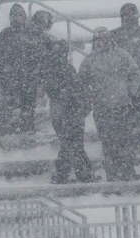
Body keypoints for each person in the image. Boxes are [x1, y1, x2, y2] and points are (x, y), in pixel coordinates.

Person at [79, 28, 140, 182]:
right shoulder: (89, 60)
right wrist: (90, 95)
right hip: (102, 108)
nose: (101, 42)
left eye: (104, 39)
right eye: (97, 39)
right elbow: (81, 81)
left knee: (125, 141)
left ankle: (128, 172)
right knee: (108, 143)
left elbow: (135, 73)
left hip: (122, 105)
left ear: (110, 39)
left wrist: (130, 90)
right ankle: (112, 175)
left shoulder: (122, 55)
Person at [42, 39, 94, 184]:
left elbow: (73, 88)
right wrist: (74, 97)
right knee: (72, 144)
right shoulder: (54, 69)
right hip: (65, 111)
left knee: (71, 144)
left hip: (69, 110)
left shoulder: (64, 68)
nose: (61, 55)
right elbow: (56, 90)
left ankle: (68, 174)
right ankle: (78, 173)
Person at [110, 3, 140, 154]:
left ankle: (139, 144)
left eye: (132, 13)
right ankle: (124, 144)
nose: (129, 17)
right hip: (120, 82)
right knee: (122, 114)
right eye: (126, 14)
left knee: (138, 113)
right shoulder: (113, 35)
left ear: (137, 15)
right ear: (121, 17)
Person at [0, 3, 41, 132]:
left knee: (27, 109)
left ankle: (28, 130)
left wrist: (34, 73)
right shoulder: (5, 34)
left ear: (25, 17)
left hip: (28, 78)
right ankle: (11, 131)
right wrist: (4, 72)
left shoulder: (32, 34)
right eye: (13, 15)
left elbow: (37, 55)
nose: (16, 18)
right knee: (11, 110)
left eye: (19, 15)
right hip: (11, 79)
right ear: (10, 18)